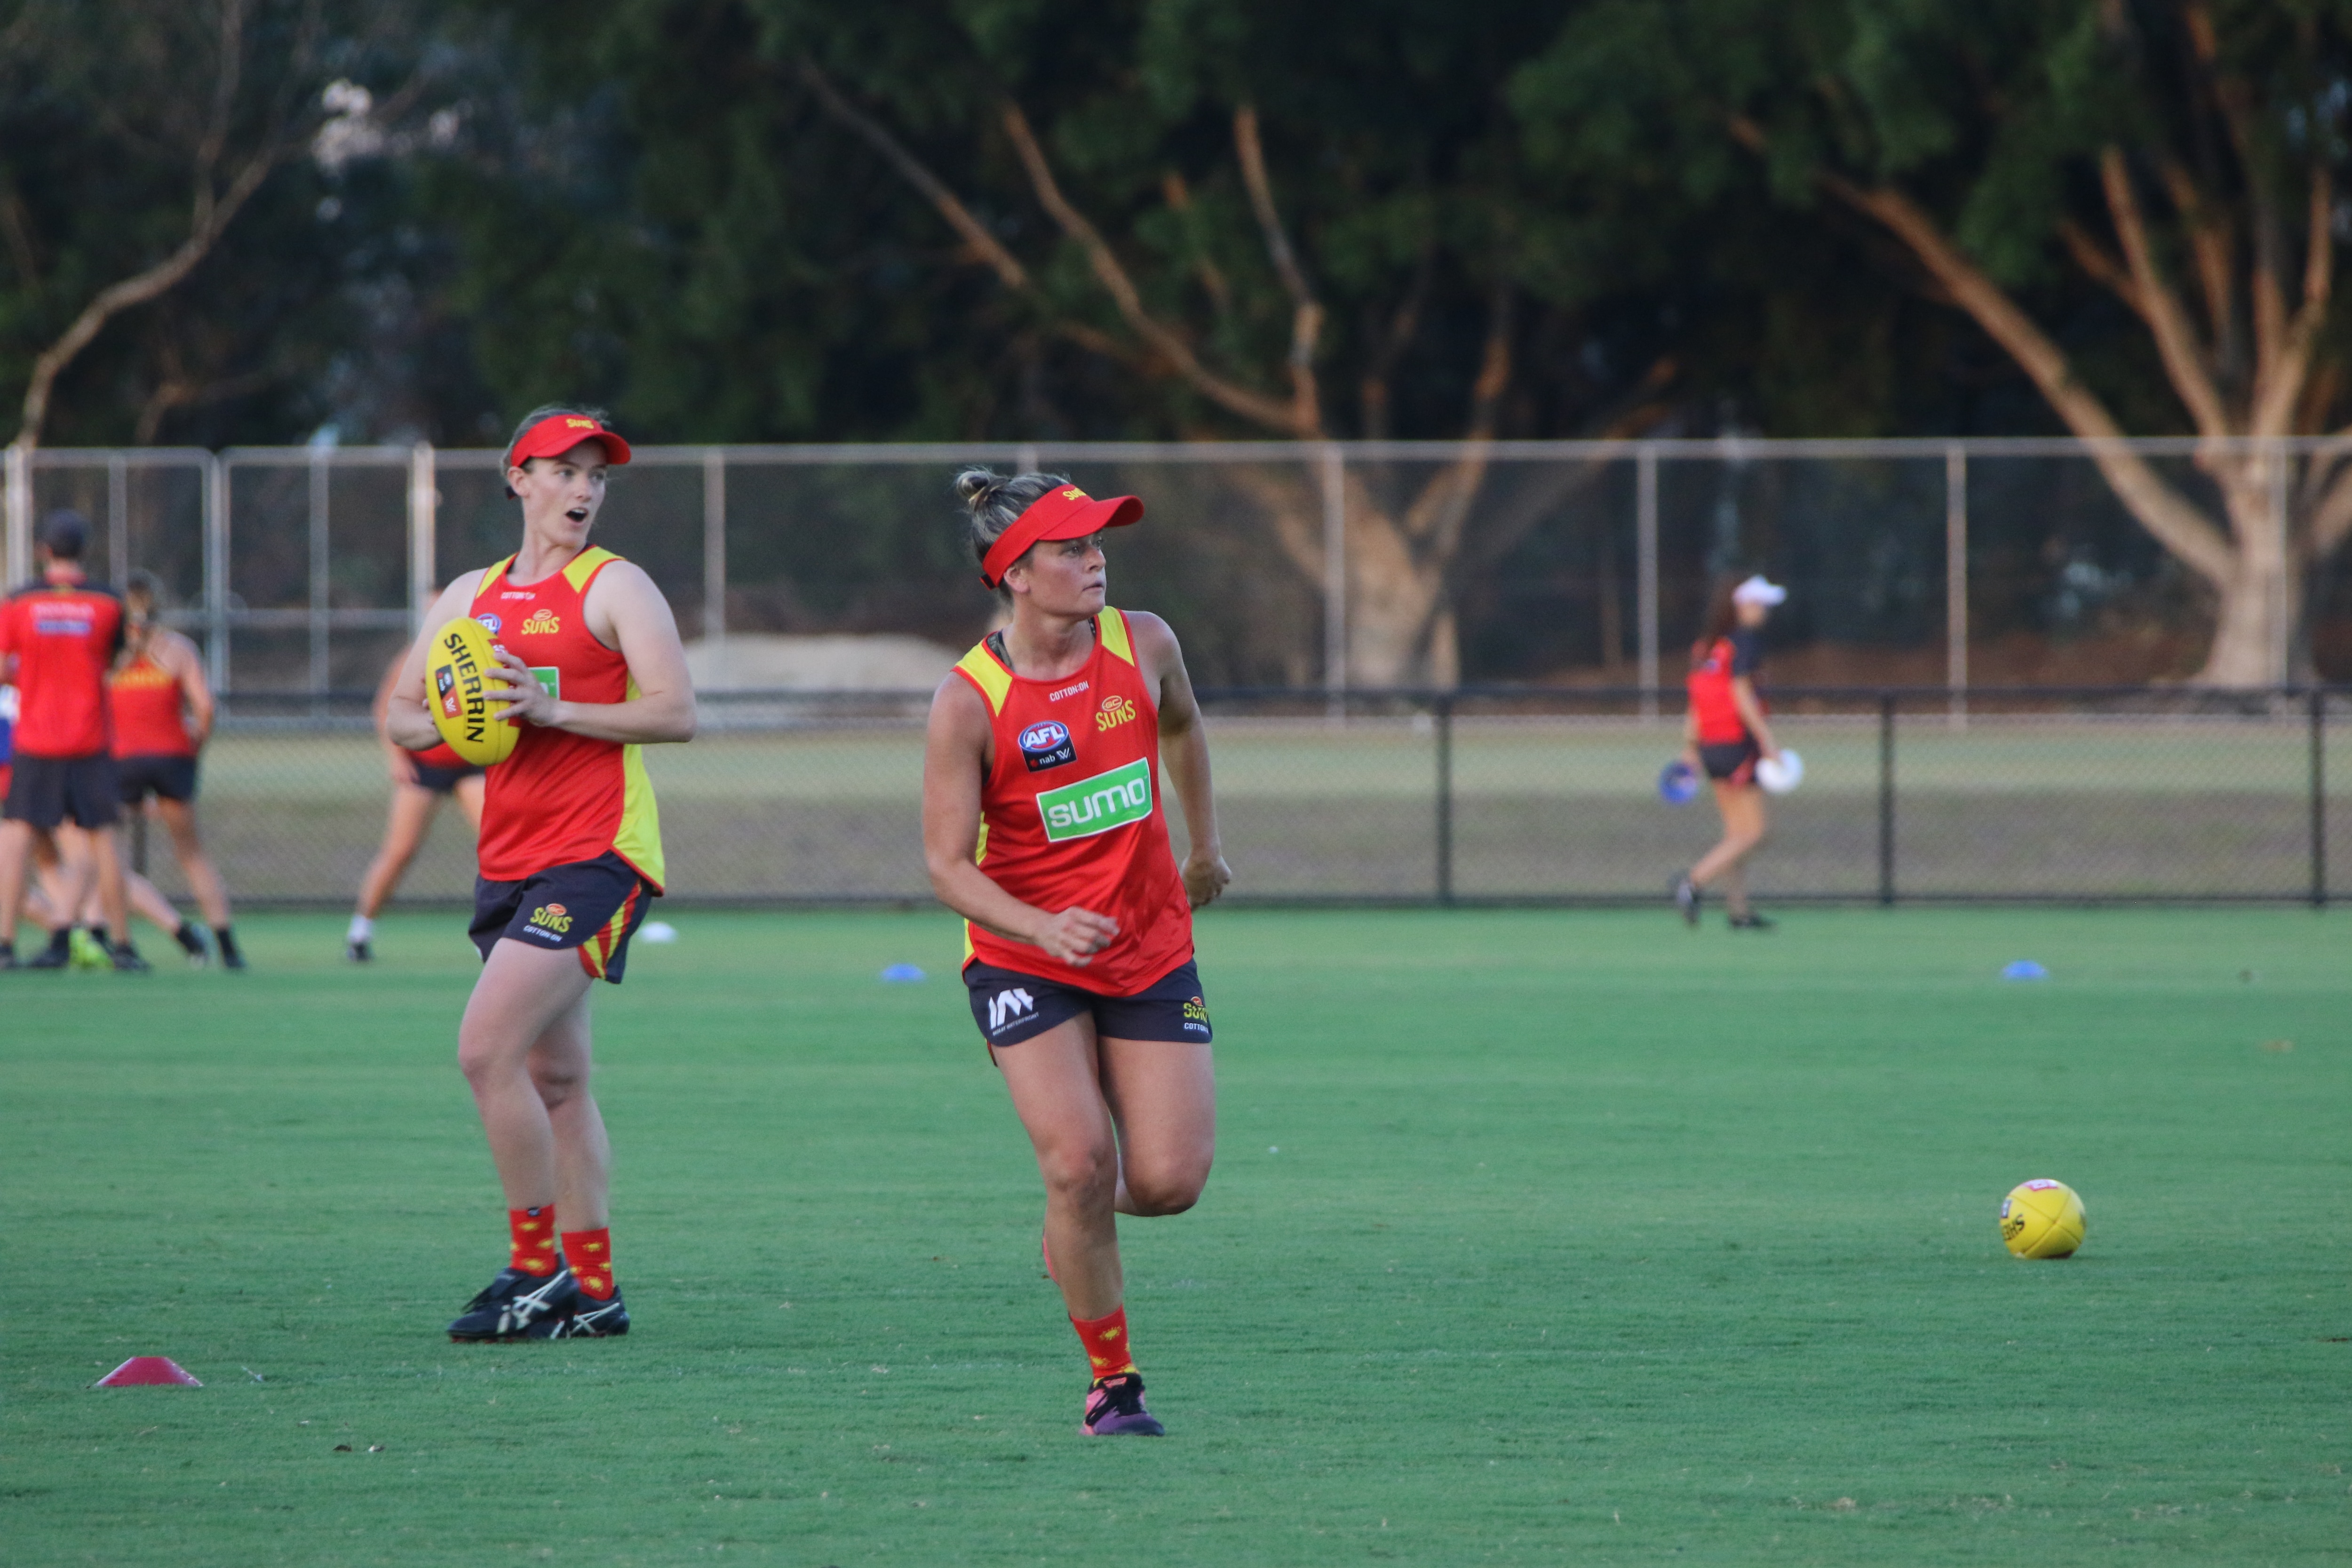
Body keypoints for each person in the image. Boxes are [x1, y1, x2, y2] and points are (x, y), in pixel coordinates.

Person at [921, 469, 1230, 1437]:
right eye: (1070, 547)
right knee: (1079, 1162)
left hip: (1148, 946)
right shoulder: (969, 701)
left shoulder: (1146, 643)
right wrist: (1035, 923)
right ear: (1014, 572)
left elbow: (1182, 726)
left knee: (1170, 1182)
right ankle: (1113, 1383)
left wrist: (1204, 845)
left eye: (1098, 543)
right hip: (1026, 960)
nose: (1095, 559)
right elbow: (943, 864)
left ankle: (1073, 1230)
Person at [382, 406, 693, 1341]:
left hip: (600, 853)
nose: (584, 489)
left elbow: (675, 711)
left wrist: (551, 708)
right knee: (556, 1078)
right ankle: (596, 1293)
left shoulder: (617, 586)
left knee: (486, 1051)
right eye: (562, 471)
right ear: (517, 479)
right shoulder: (467, 596)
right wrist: (461, 717)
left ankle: (538, 1268)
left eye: (595, 475)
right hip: (510, 859)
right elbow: (400, 717)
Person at [0, 509, 143, 971]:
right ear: (84, 551)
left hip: (36, 738)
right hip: (89, 738)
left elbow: (5, 663)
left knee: (17, 838)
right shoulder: (107, 603)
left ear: (44, 550)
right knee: (104, 842)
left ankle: (4, 945)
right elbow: (116, 659)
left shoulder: (19, 602)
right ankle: (122, 945)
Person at [101, 570, 242, 969]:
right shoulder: (178, 648)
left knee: (110, 857)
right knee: (193, 854)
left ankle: (122, 944)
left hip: (122, 760)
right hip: (173, 758)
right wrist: (194, 747)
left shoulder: (109, 653)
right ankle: (229, 947)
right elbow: (206, 708)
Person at [346, 638, 485, 963]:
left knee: (497, 850)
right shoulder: (418, 652)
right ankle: (360, 932)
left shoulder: (485, 648)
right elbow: (386, 707)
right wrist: (397, 757)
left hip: (473, 762)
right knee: (400, 850)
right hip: (424, 764)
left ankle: (491, 934)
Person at [1674, 574, 1788, 931]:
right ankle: (1691, 882)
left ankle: (1738, 912)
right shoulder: (1745, 644)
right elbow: (1742, 696)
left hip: (1711, 747)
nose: (1765, 611)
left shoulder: (1707, 647)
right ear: (1742, 606)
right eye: (1760, 603)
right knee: (1755, 833)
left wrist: (1690, 749)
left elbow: (1696, 703)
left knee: (1736, 834)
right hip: (1737, 747)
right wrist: (1768, 742)